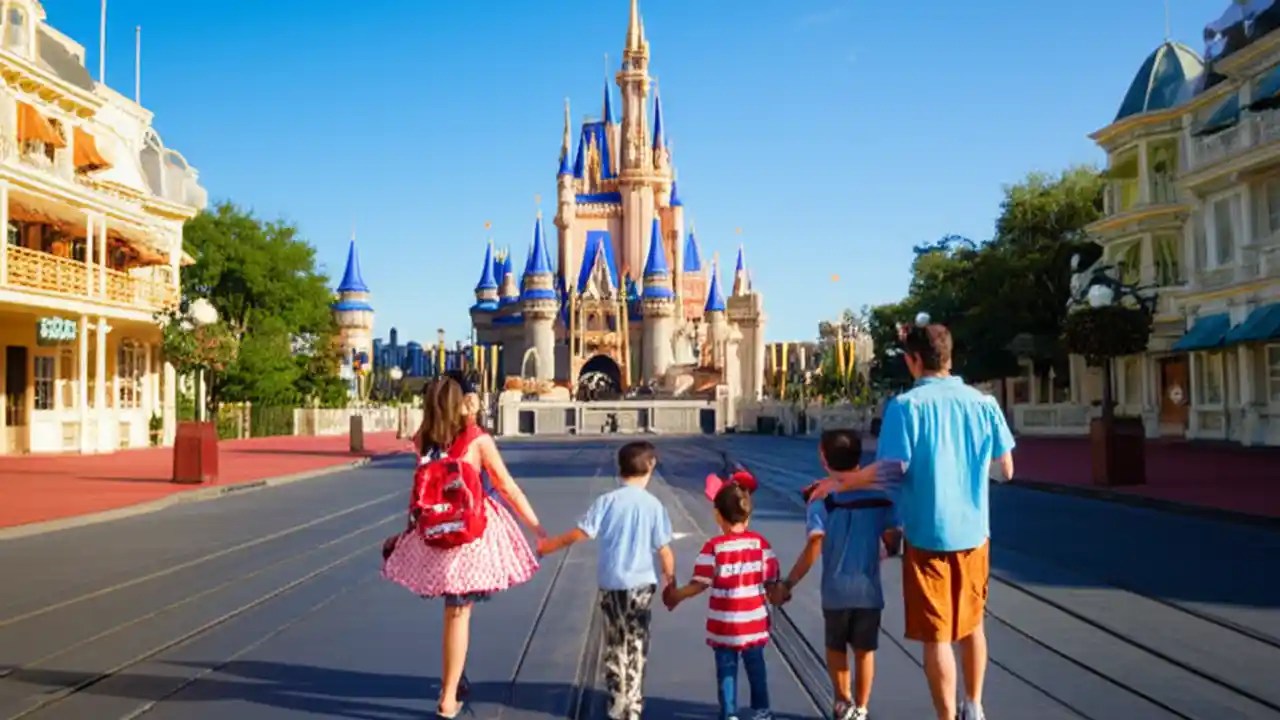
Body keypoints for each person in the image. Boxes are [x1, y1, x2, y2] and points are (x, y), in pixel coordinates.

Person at [810, 319, 1014, 720]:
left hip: (928, 535)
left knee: (937, 634)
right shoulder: (984, 404)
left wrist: (844, 482)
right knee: (973, 625)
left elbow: (890, 471)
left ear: (914, 360)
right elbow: (1005, 469)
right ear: (950, 357)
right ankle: (974, 706)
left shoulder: (906, 407)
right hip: (975, 534)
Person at [382, 375, 544, 718]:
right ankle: (448, 696)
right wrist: (536, 527)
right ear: (462, 402)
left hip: (434, 531)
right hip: (470, 533)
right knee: (458, 612)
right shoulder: (477, 440)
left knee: (453, 609)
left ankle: (457, 677)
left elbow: (422, 489)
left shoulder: (421, 439)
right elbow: (507, 486)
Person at [538, 441, 675, 720]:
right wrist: (670, 581)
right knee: (636, 641)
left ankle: (617, 699)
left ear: (620, 468)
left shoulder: (607, 501)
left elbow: (580, 533)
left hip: (612, 583)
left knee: (614, 641)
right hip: (642, 586)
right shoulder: (654, 505)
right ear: (650, 467)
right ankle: (634, 703)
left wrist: (549, 545)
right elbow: (664, 549)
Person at [774, 429, 900, 720]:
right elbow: (893, 538)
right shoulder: (882, 497)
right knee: (865, 651)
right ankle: (862, 706)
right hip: (869, 590)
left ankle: (842, 701)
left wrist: (789, 582)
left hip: (835, 590)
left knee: (836, 646)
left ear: (823, 456)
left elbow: (815, 543)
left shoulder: (821, 499)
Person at [666, 482, 779, 720]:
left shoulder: (713, 548)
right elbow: (771, 581)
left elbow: (701, 583)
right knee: (756, 668)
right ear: (747, 516)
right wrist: (782, 591)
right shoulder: (761, 545)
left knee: (726, 670)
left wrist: (677, 595)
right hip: (753, 623)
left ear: (717, 515)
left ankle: (729, 713)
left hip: (724, 624)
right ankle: (762, 710)